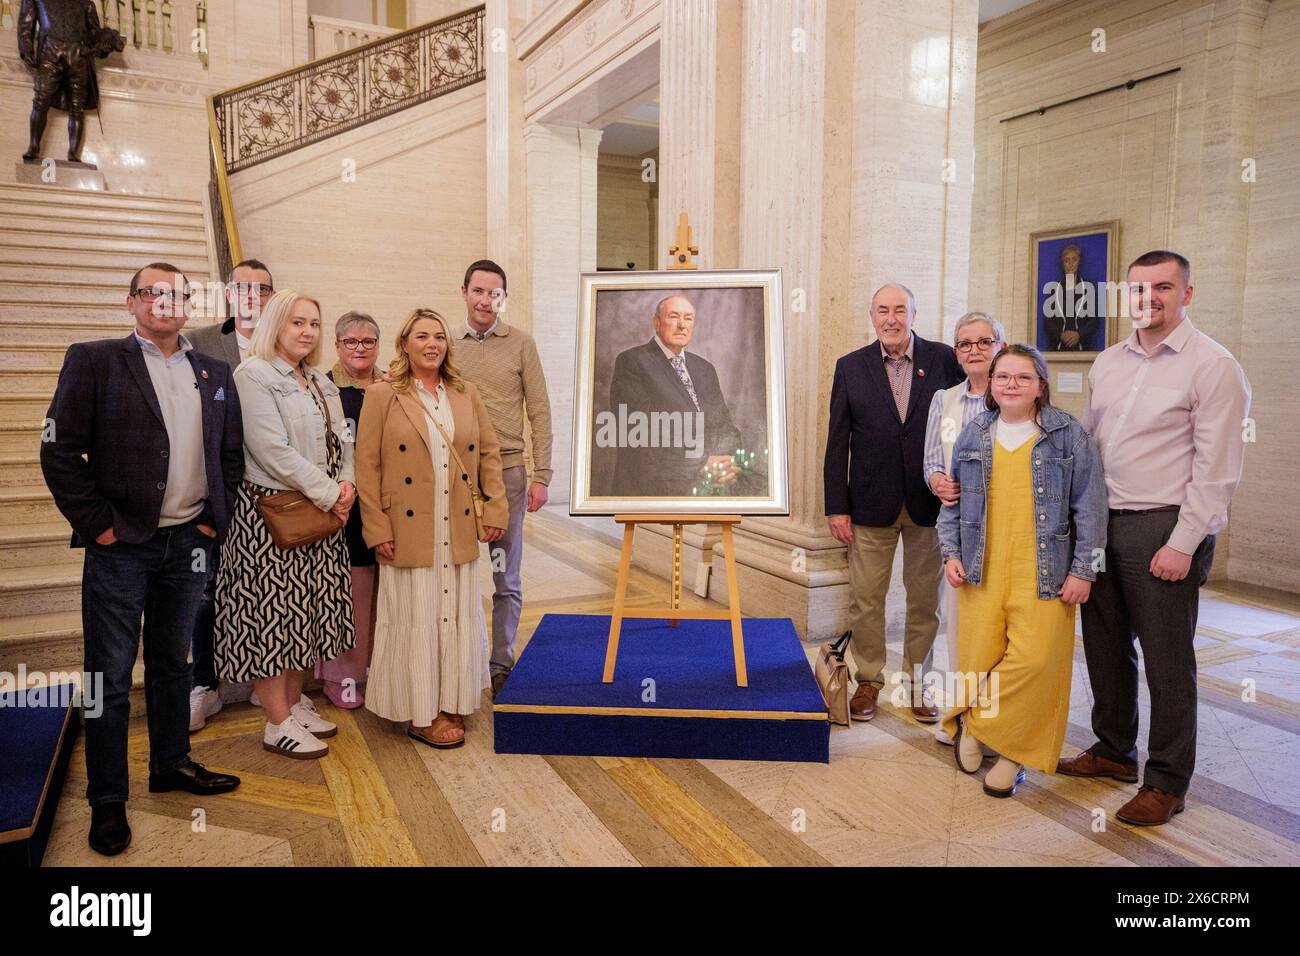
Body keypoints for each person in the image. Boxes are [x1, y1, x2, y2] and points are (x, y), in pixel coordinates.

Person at [40, 262, 243, 857]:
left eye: (179, 294)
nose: (167, 302)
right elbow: (58, 450)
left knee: (172, 664)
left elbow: (227, 453)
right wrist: (98, 526)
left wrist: (211, 518)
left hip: (189, 542)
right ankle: (108, 800)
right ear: (131, 303)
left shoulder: (214, 369)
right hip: (121, 546)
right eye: (154, 293)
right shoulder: (95, 360)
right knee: (107, 674)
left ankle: (171, 763)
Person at [1059, 250, 1251, 826]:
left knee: (1168, 662)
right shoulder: (1109, 363)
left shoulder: (1213, 366)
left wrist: (1184, 542)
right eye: (1138, 288)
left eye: (1163, 288)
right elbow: (1088, 445)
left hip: (1163, 526)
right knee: (1105, 646)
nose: (1149, 298)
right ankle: (1115, 751)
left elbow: (1218, 471)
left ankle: (1166, 780)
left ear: (1186, 294)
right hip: (1102, 521)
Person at [938, 345, 1107, 797]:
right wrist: (950, 553)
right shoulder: (973, 434)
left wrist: (1084, 570)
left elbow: (1091, 507)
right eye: (1003, 376)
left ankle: (998, 741)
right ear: (990, 383)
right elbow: (951, 503)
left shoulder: (1066, 434)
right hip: (980, 568)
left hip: (1046, 573)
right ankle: (980, 731)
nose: (1011, 384)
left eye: (1023, 377)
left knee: (1035, 662)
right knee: (980, 660)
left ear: (1041, 385)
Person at [214, 291, 356, 760]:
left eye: (314, 323)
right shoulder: (253, 375)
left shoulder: (318, 379)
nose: (307, 331)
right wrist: (332, 492)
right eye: (297, 322)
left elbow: (344, 439)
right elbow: (271, 450)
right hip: (271, 520)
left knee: (306, 618)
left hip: (320, 513)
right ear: (276, 324)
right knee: (272, 622)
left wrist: (347, 483)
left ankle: (294, 705)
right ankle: (276, 723)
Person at [356, 309, 507, 748]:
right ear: (404, 344)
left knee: (454, 612)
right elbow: (367, 466)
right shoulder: (383, 395)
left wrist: (495, 509)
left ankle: (451, 695)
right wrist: (376, 526)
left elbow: (490, 455)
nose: (432, 343)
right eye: (421, 336)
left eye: (439, 336)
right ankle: (421, 711)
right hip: (406, 529)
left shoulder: (465, 392)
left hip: (455, 524)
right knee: (416, 615)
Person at [824, 283, 964, 723]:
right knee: (867, 598)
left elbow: (967, 415)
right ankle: (868, 682)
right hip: (868, 502)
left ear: (913, 313)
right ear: (871, 317)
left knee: (926, 601)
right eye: (882, 310)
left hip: (930, 501)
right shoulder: (850, 367)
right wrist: (836, 505)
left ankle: (919, 685)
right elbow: (837, 442)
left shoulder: (944, 359)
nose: (891, 318)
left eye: (899, 309)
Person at [454, 260, 552, 699]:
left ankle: (500, 662)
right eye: (478, 291)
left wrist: (542, 474)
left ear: (503, 299)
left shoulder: (521, 344)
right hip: (454, 473)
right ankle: (458, 658)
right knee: (452, 570)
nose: (485, 300)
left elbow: (541, 411)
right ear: (464, 292)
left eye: (494, 293)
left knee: (504, 575)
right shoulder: (446, 344)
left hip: (509, 473)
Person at [186, 257, 276, 731]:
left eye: (262, 289)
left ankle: (267, 683)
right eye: (243, 288)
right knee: (206, 591)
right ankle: (204, 684)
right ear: (227, 294)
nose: (252, 297)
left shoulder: (284, 343)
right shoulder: (200, 342)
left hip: (272, 489)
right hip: (215, 486)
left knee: (264, 587)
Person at [922, 312, 1006, 745]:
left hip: (1008, 529)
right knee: (960, 627)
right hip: (960, 532)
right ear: (956, 352)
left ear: (999, 347)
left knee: (999, 632)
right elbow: (932, 459)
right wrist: (937, 480)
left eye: (983, 342)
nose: (974, 350)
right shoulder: (945, 399)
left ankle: (995, 724)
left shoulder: (1012, 396)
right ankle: (961, 717)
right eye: (965, 343)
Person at [607, 293, 744, 498]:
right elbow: (641, 430)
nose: (682, 325)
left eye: (688, 318)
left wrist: (726, 461)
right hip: (652, 489)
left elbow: (724, 425)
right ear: (656, 322)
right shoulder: (632, 361)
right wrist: (703, 463)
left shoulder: (704, 368)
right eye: (673, 316)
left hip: (704, 484)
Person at [319, 311, 385, 709]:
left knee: (385, 595)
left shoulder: (391, 386)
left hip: (388, 505)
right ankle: (343, 678)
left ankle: (379, 669)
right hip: (343, 506)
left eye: (368, 342)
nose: (359, 349)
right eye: (351, 342)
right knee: (351, 597)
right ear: (337, 345)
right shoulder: (321, 387)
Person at [1041, 243, 1102, 352]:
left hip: (1083, 349)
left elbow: (1094, 320)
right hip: (1058, 348)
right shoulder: (1055, 289)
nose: (1070, 264)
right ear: (1063, 263)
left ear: (1079, 261)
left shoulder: (1088, 287)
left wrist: (1079, 335)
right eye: (1066, 260)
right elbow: (1048, 321)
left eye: (1074, 259)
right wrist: (1061, 335)